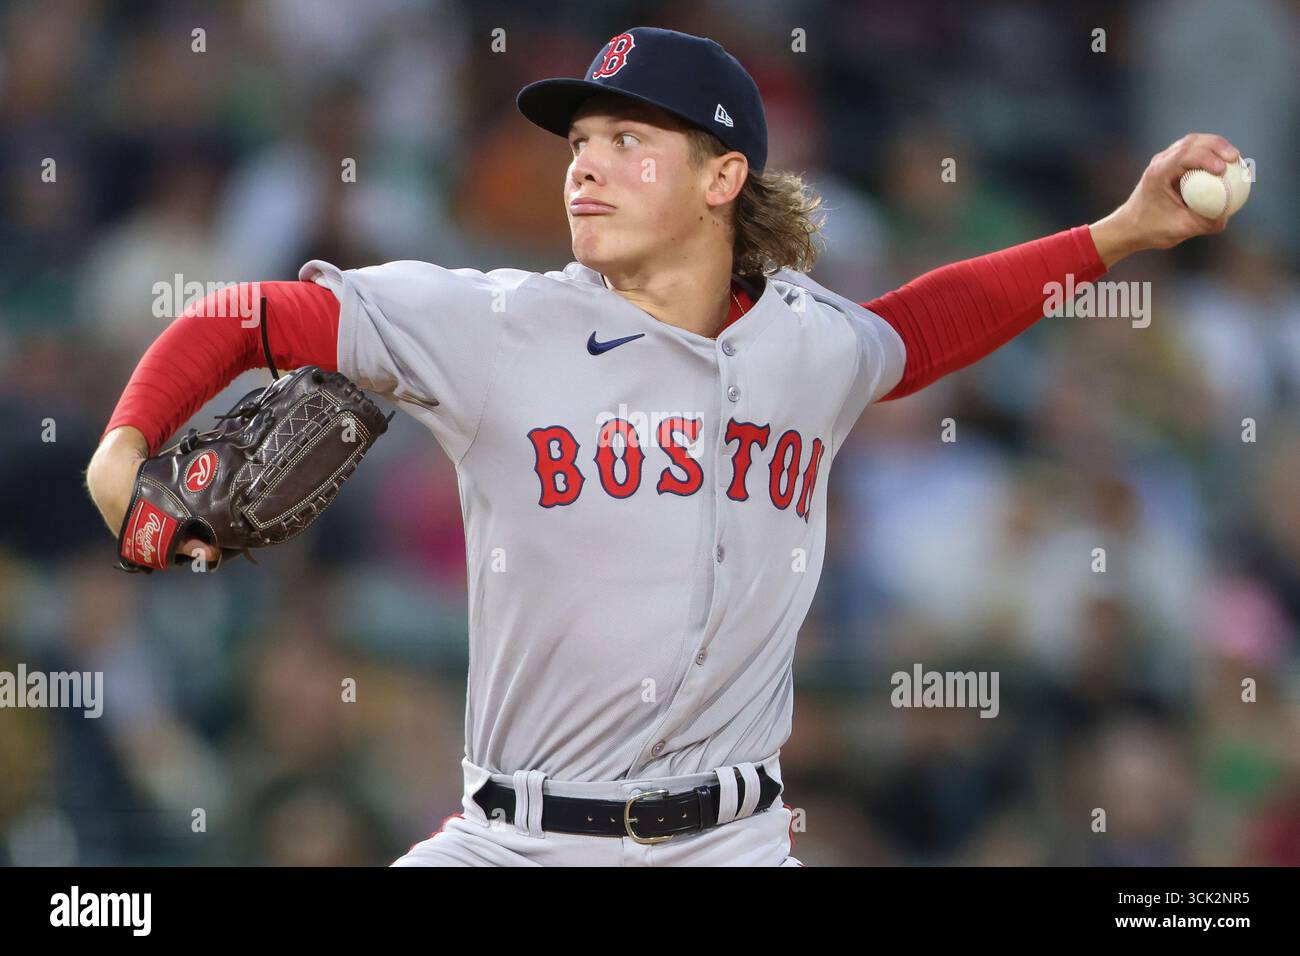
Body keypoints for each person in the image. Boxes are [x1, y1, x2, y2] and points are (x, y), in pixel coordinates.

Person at [85, 27, 1240, 866]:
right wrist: (125, 441)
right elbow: (242, 313)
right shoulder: (489, 322)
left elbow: (929, 322)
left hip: (732, 841)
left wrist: (1124, 231)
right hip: (516, 839)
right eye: (579, 139)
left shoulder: (809, 344)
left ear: (722, 178)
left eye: (628, 139)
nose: (582, 162)